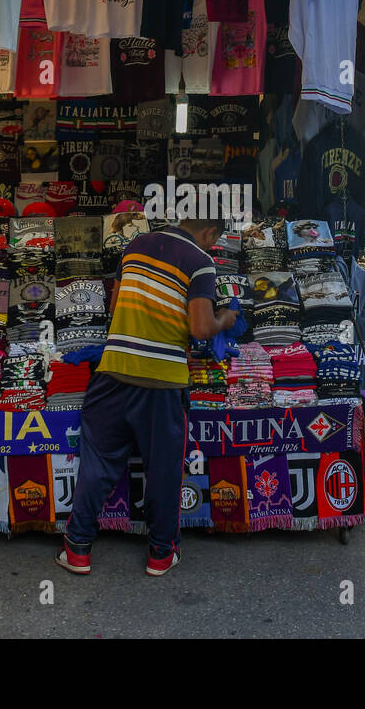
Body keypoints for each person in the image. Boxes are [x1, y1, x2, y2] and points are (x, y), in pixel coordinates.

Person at [57, 216, 237, 577]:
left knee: (99, 463)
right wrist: (224, 319)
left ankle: (77, 549)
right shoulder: (201, 262)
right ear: (211, 232)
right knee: (163, 470)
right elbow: (201, 328)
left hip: (113, 372)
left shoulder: (135, 246)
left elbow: (114, 306)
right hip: (162, 383)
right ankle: (160, 554)